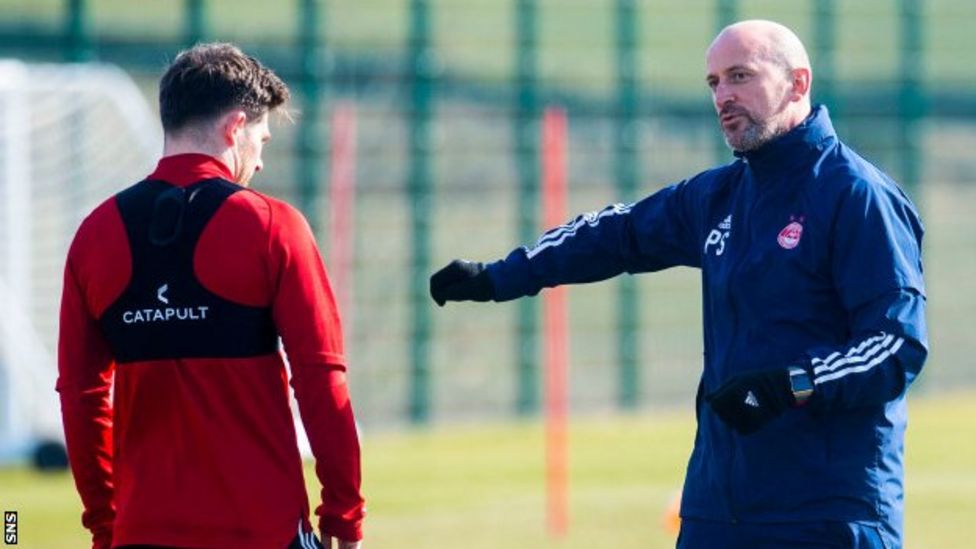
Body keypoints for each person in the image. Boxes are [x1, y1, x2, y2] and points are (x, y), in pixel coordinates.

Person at [430, 20, 926, 548]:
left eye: (740, 76)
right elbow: (617, 232)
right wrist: (500, 276)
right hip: (717, 510)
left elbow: (896, 346)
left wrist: (793, 384)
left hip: (828, 511)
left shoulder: (857, 195)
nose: (723, 96)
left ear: (797, 83)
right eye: (714, 82)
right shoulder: (719, 196)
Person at [57, 43, 364, 549]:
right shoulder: (273, 227)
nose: (259, 162)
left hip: (142, 532)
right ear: (235, 127)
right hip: (263, 533)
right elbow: (320, 379)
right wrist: (343, 516)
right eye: (261, 139)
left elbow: (81, 395)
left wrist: (106, 526)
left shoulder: (95, 235)